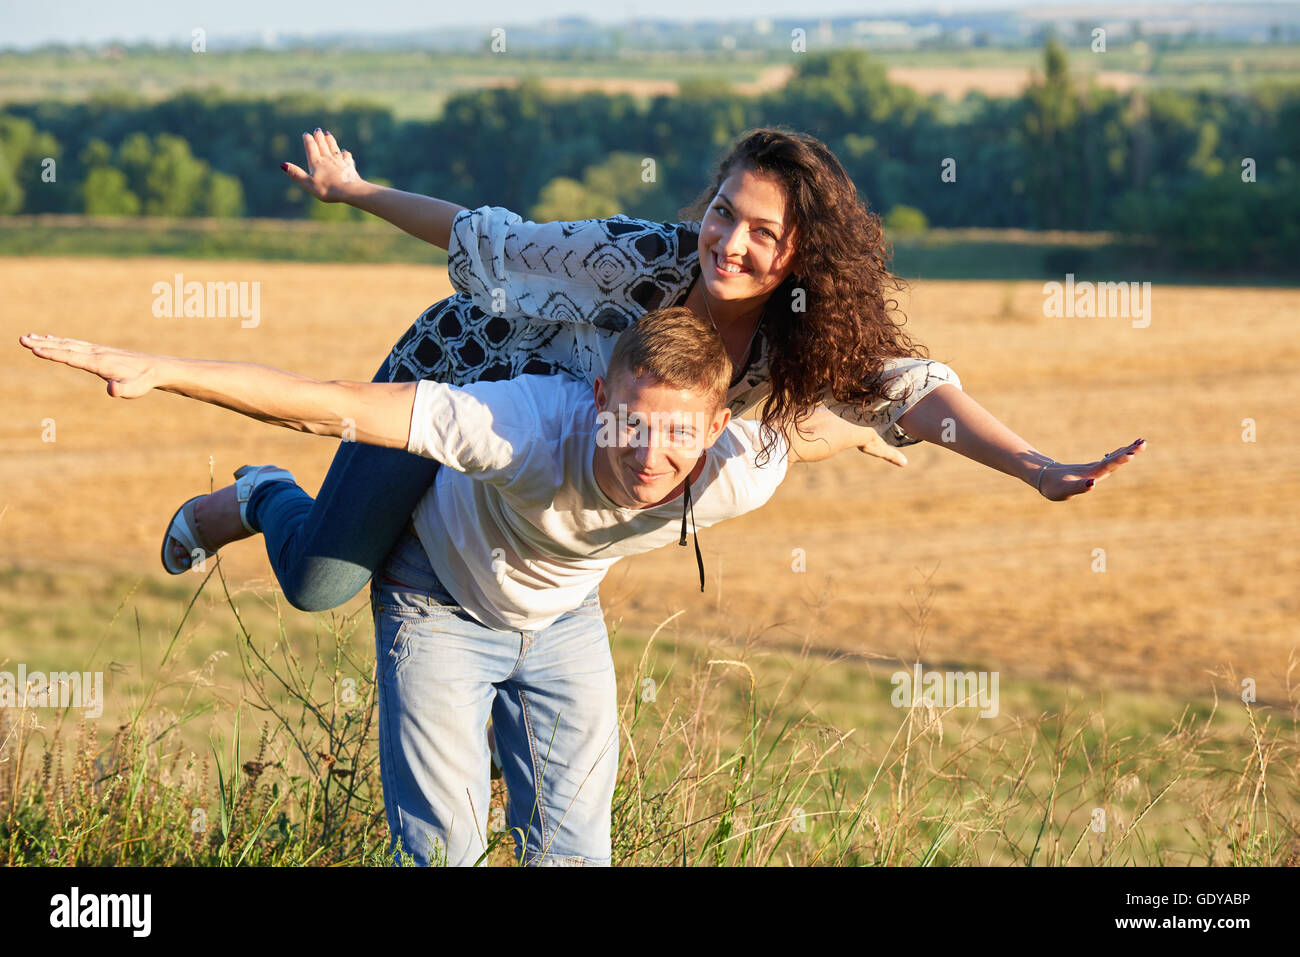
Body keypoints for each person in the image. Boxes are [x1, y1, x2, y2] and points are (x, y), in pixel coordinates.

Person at [19, 307, 980, 865]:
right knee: (437, 837)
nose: (651, 455)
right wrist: (166, 369)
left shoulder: (736, 467)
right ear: (599, 400)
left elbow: (809, 430)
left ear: (714, 429)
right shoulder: (524, 425)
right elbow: (333, 407)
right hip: (435, 590)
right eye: (631, 424)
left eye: (680, 434)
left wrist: (876, 433)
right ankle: (259, 496)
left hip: (559, 617)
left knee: (574, 851)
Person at [155, 126, 1143, 617]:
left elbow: (915, 393)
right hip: (461, 380)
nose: (729, 243)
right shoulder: (636, 259)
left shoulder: (806, 336)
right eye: (722, 212)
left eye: (762, 232)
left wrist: (1034, 467)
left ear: (803, 252)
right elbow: (488, 238)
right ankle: (256, 495)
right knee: (321, 583)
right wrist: (354, 188)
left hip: (543, 483)